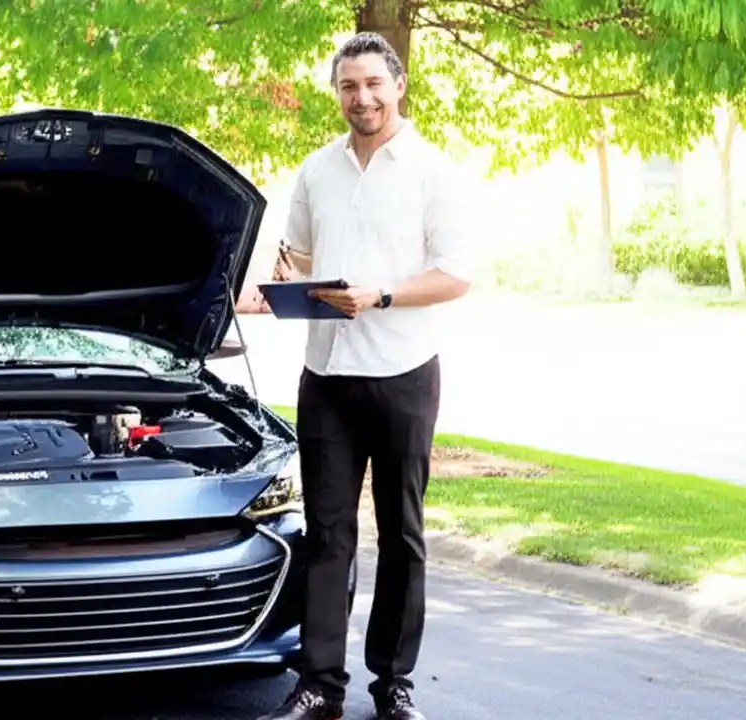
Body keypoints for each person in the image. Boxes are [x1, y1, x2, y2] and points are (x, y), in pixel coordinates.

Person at [238, 32, 479, 720]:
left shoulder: (433, 171)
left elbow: (455, 275)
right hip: (326, 378)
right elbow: (296, 260)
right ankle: (320, 685)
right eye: (349, 86)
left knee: (402, 534)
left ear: (398, 86)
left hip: (404, 373)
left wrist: (382, 295)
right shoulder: (317, 170)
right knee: (326, 535)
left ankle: (393, 683)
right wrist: (265, 290)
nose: (362, 97)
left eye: (373, 84)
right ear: (337, 93)